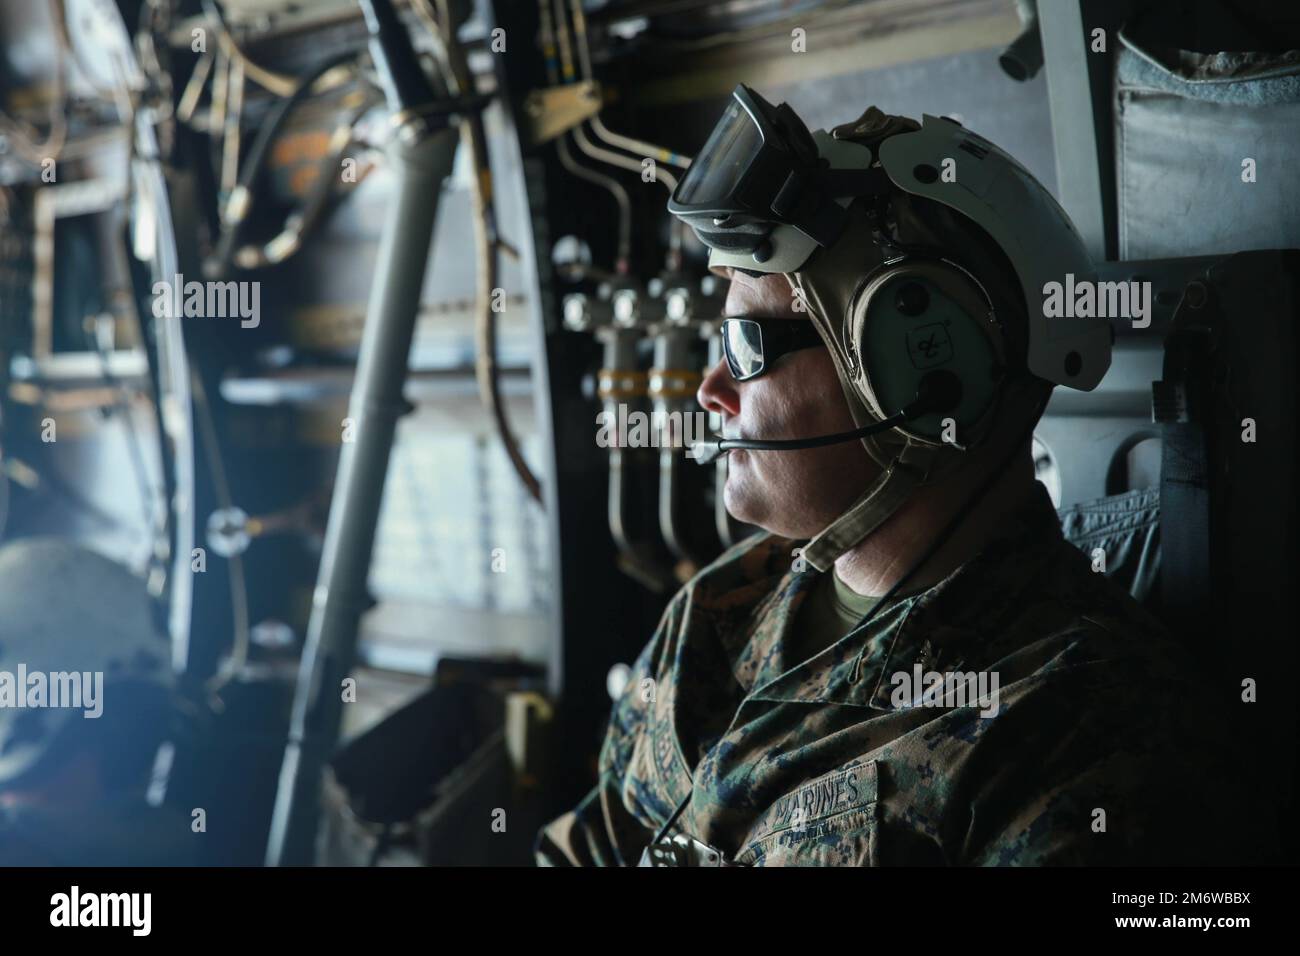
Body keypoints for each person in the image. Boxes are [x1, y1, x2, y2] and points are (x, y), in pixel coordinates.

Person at [535, 88, 1272, 865]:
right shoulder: (723, 607)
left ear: (920, 372)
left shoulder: (1087, 741)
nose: (710, 391)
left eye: (746, 347)